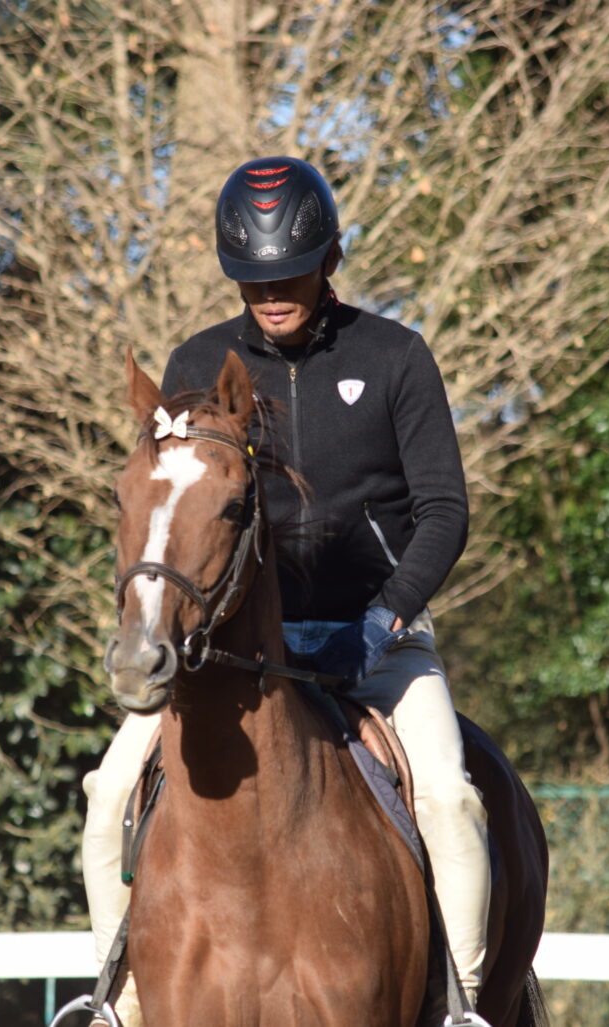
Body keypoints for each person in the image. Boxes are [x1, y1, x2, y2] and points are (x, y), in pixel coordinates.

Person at [81, 156, 491, 1022]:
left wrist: (385, 618)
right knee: (109, 792)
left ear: (330, 258)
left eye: (290, 275)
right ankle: (113, 1001)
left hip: (376, 637)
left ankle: (463, 1006)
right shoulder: (198, 361)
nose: (272, 294)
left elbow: (444, 510)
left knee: (453, 799)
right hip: (226, 651)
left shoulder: (393, 356)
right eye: (254, 279)